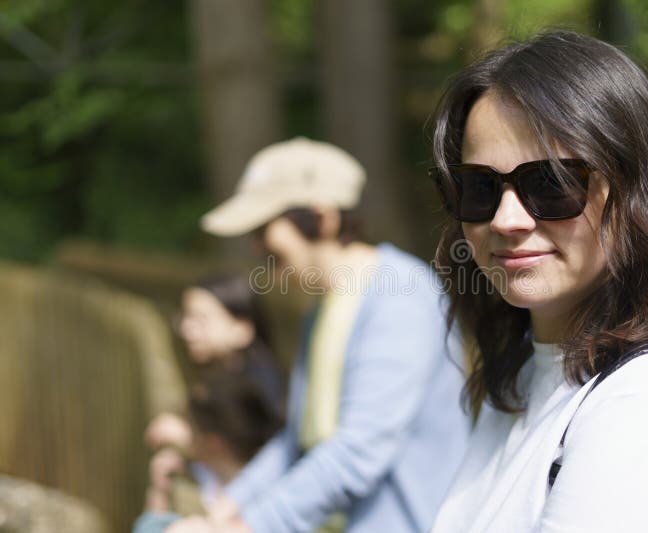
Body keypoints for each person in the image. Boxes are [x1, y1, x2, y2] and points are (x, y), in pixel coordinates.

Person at [426, 31, 648, 532]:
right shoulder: (525, 374)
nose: (506, 220)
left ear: (633, 191)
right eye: (479, 187)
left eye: (550, 184)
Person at [166, 137, 470, 533]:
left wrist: (246, 526)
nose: (257, 246)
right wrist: (232, 504)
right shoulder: (323, 310)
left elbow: (359, 451)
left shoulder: (399, 297)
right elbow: (298, 441)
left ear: (322, 219)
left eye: (264, 228)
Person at [146, 275, 284, 455]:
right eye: (185, 317)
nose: (186, 329)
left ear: (242, 329)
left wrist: (188, 441)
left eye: (201, 320)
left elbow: (250, 453)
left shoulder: (257, 387)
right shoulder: (221, 375)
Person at [134, 368, 283, 533]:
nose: (178, 429)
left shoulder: (257, 504)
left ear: (214, 442)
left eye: (188, 423)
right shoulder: (193, 472)